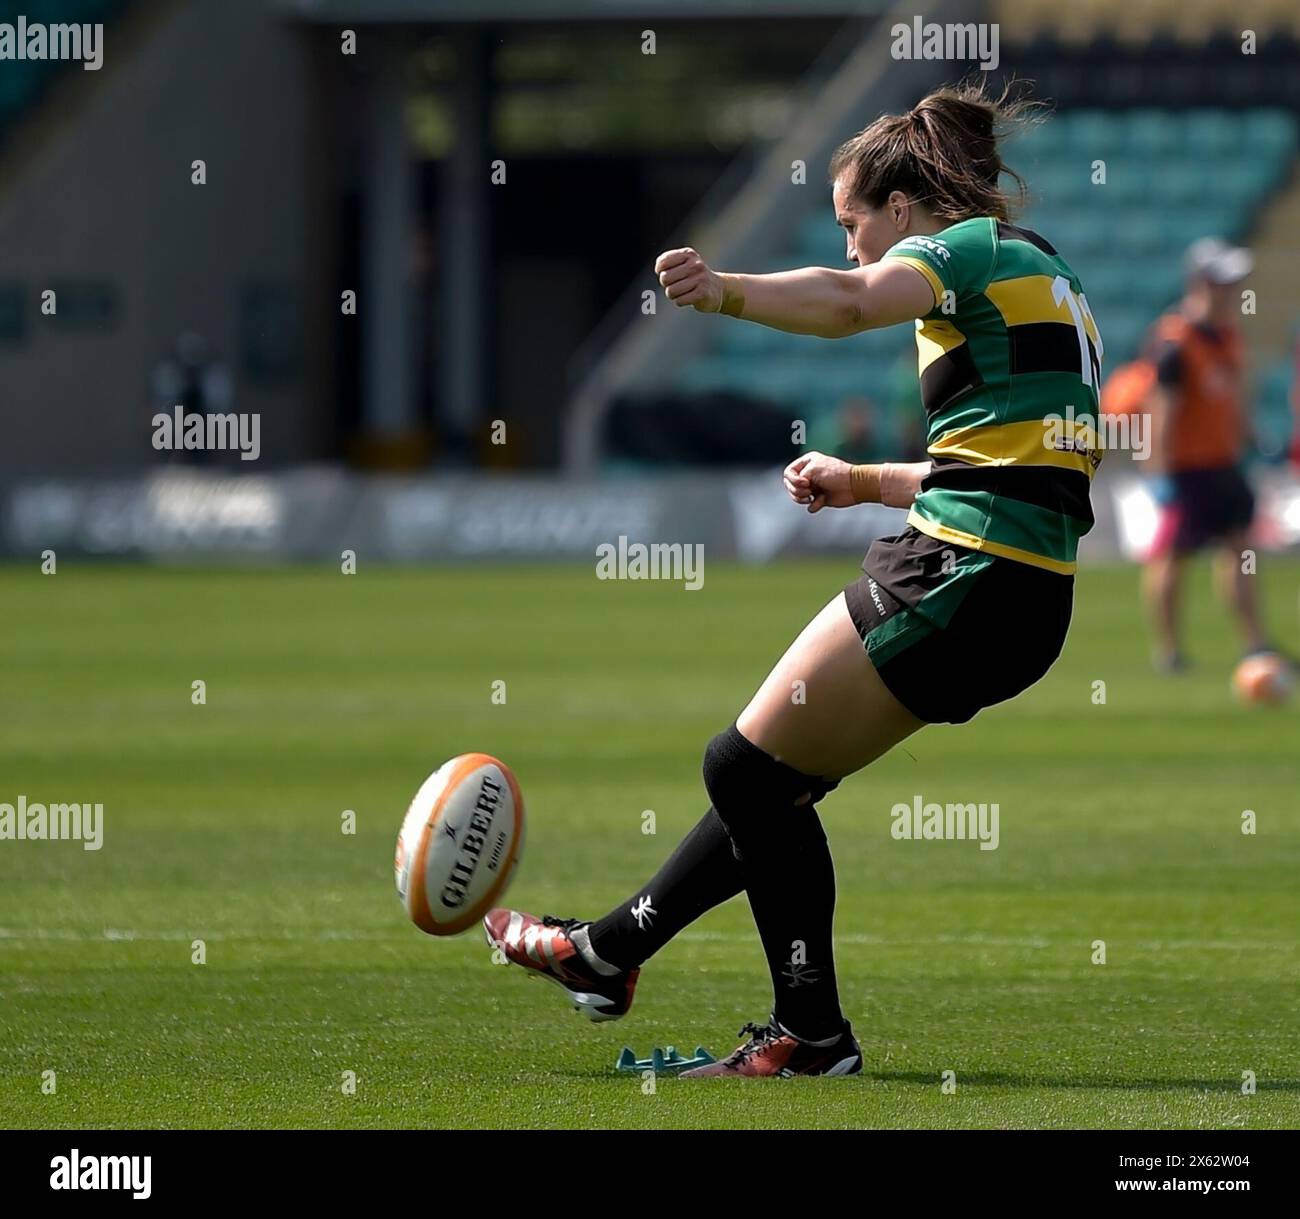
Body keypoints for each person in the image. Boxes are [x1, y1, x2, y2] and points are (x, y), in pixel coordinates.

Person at [484, 84, 1102, 1077]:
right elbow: (1022, 468)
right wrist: (861, 481)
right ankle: (606, 952)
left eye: (854, 221)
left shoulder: (960, 251)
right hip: (1025, 594)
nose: (854, 243)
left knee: (743, 772)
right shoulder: (1050, 278)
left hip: (958, 571)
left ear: (904, 212)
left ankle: (808, 1033)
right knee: (770, 782)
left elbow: (850, 300)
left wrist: (723, 289)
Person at [1143, 238, 1270, 671]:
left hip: (1223, 463)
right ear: (1203, 283)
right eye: (1225, 282)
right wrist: (1158, 471)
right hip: (1186, 468)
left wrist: (1253, 438)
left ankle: (1254, 643)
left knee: (1241, 550)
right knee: (1173, 558)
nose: (1233, 291)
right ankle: (1169, 651)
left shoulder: (1227, 336)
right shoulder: (1175, 342)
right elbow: (1161, 412)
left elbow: (1232, 397)